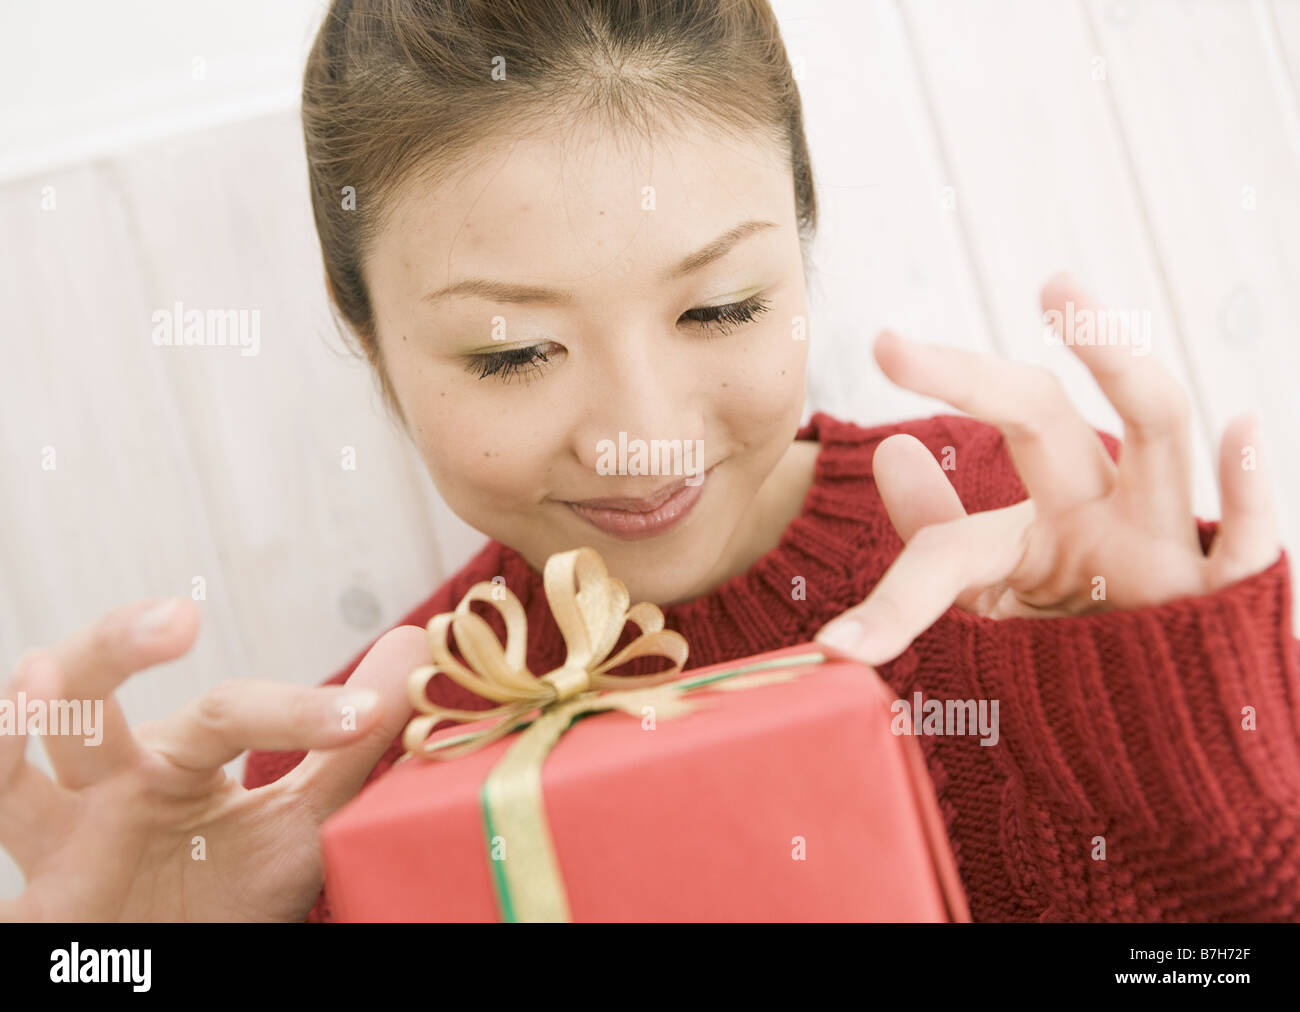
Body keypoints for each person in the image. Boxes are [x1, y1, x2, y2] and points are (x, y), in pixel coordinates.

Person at [4, 0, 1297, 923]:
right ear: (371, 340)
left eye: (720, 309)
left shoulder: (1064, 550)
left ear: (801, 249)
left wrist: (1174, 727)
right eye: (512, 353)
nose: (642, 430)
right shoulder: (326, 788)